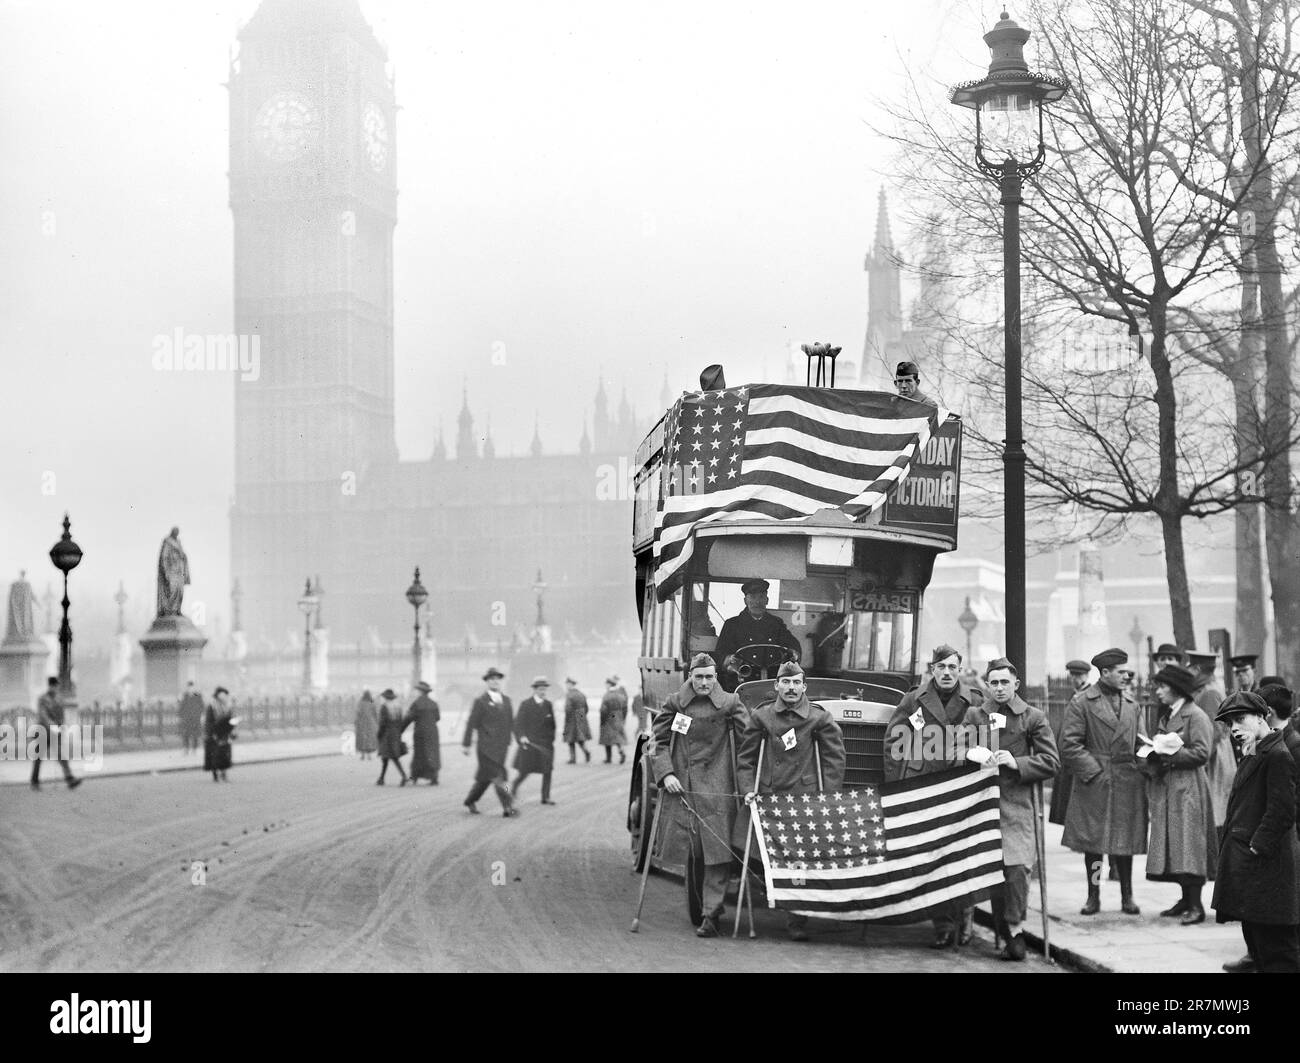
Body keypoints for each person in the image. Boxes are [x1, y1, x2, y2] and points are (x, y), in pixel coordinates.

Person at [737, 660, 846, 941]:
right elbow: (746, 758)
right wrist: (748, 788)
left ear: (804, 687)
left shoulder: (818, 718)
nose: (791, 688)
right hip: (769, 797)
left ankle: (797, 920)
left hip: (803, 798)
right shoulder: (762, 717)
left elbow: (834, 758)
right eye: (785, 682)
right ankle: (771, 894)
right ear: (776, 686)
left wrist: (828, 795)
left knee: (801, 859)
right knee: (763, 854)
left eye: (797, 683)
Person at [961, 658, 1060, 961]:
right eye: (994, 683)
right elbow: (954, 748)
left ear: (1015, 684)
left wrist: (1016, 762)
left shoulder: (1033, 717)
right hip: (983, 803)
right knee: (993, 872)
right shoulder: (976, 715)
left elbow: (1052, 761)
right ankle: (1009, 936)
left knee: (1017, 869)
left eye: (1005, 682)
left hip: (1017, 804)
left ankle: (1014, 928)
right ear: (987, 685)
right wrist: (972, 753)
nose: (1000, 688)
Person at [883, 644, 982, 946]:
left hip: (961, 785)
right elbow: (892, 744)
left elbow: (989, 740)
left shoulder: (975, 700)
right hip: (923, 783)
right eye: (941, 667)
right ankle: (943, 925)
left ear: (960, 669)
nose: (947, 672)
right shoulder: (914, 700)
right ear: (932, 669)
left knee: (962, 854)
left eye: (953, 667)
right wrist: (899, 787)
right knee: (930, 857)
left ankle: (965, 915)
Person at [651, 653, 749, 937]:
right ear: (690, 677)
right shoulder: (675, 703)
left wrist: (743, 786)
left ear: (716, 677)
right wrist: (666, 773)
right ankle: (701, 907)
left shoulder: (731, 703)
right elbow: (657, 741)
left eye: (709, 677)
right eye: (698, 677)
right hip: (685, 785)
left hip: (718, 789)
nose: (704, 683)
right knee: (694, 851)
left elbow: (747, 744)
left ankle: (710, 914)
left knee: (717, 853)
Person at [1211, 691, 1300, 973]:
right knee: (1259, 943)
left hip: (1268, 867)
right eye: (1230, 724)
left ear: (1262, 717)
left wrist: (1256, 846)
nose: (1235, 728)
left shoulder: (1277, 755)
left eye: (1240, 719)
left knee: (1278, 952)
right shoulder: (1256, 751)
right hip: (1252, 869)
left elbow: (1283, 811)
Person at [1058, 648, 1148, 916]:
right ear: (1105, 673)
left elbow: (1141, 742)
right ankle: (1093, 895)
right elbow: (1069, 744)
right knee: (1093, 845)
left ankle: (1127, 895)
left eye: (1127, 672)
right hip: (1095, 783)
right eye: (1121, 672)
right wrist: (1094, 772)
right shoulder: (1082, 702)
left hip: (1127, 780)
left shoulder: (1133, 705)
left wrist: (1150, 759)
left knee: (1126, 842)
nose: (1126, 676)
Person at [1143, 664, 1218, 925]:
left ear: (1176, 689)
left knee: (1190, 844)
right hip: (1171, 786)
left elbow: (1202, 753)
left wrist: (1169, 754)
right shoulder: (1170, 714)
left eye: (1163, 687)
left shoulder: (1196, 716)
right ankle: (1186, 899)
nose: (1158, 692)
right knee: (1178, 844)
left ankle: (1196, 905)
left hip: (1188, 788)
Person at [713, 579, 803, 690]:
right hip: (741, 683)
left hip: (772, 682)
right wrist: (729, 660)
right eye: (753, 597)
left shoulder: (776, 623)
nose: (757, 602)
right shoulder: (732, 624)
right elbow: (721, 654)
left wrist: (793, 653)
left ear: (767, 600)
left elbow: (791, 644)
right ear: (745, 600)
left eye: (761, 597)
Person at [1186, 650, 1235, 829]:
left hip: (1214, 759)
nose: (1188, 673)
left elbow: (1215, 731)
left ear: (1198, 669)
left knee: (1215, 812)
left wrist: (1202, 760)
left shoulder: (1209, 692)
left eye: (1190, 669)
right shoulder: (1208, 689)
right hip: (1214, 754)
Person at [462, 667, 518, 817]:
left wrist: (520, 738)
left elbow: (512, 722)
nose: (495, 681)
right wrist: (466, 744)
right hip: (486, 748)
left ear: (500, 681)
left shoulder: (507, 701)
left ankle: (470, 800)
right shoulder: (480, 701)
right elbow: (471, 723)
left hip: (501, 747)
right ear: (487, 682)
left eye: (497, 678)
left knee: (485, 779)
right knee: (499, 777)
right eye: (491, 678)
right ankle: (508, 805)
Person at [1048, 659, 1092, 828]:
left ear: (1087, 675)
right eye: (1073, 675)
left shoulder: (1086, 696)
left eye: (1079, 675)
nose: (1075, 678)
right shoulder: (1075, 695)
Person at [30, 676, 81, 791]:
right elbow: (43, 715)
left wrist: (61, 726)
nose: (56, 688)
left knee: (61, 756)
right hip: (43, 731)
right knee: (38, 758)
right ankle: (34, 782)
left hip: (54, 733)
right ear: (50, 686)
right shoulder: (42, 699)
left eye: (57, 686)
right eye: (54, 686)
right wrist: (52, 726)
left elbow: (61, 715)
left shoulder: (59, 699)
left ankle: (70, 779)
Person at [512, 677, 557, 805]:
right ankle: (513, 788)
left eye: (545, 689)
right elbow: (518, 724)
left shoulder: (548, 704)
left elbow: (552, 725)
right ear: (535, 690)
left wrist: (551, 739)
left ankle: (545, 797)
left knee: (547, 771)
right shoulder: (525, 704)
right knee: (524, 771)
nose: (543, 692)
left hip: (546, 745)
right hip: (530, 744)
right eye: (541, 689)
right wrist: (522, 737)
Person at [403, 681, 441, 785]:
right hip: (433, 732)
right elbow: (438, 718)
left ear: (420, 692)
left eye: (417, 690)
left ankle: (414, 777)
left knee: (419, 755)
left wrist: (400, 730)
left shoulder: (416, 703)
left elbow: (408, 718)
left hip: (420, 732)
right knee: (432, 754)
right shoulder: (434, 703)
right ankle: (434, 778)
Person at [375, 688, 408, 786]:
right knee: (387, 757)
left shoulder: (384, 707)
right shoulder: (398, 707)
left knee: (391, 757)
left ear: (386, 697)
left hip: (387, 734)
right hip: (396, 733)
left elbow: (382, 723)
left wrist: (379, 734)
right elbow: (401, 721)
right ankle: (381, 778)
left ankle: (404, 776)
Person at [203, 686, 236, 783]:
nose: (224, 696)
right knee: (215, 755)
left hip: (225, 734)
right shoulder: (212, 706)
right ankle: (215, 774)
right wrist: (211, 732)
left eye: (225, 695)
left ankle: (224, 774)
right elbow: (208, 721)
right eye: (222, 694)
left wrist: (232, 730)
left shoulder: (228, 706)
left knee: (225, 755)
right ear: (217, 695)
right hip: (214, 733)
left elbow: (231, 719)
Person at [562, 677, 592, 763]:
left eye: (567, 684)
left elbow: (567, 708)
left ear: (570, 685)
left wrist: (567, 719)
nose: (566, 686)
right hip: (581, 718)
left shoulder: (569, 695)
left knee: (570, 739)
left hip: (572, 719)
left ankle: (573, 758)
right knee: (580, 739)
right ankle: (586, 752)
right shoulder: (581, 694)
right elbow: (586, 708)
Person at [599, 677, 628, 764]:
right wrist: (623, 718)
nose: (605, 686)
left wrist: (602, 721)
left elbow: (603, 710)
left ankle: (608, 758)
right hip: (618, 718)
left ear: (609, 685)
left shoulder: (607, 696)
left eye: (606, 684)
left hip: (608, 718)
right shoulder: (620, 695)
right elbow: (625, 708)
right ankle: (621, 751)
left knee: (607, 738)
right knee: (618, 737)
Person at [179, 680, 205, 754]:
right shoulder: (185, 695)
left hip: (195, 718)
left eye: (192, 687)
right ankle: (186, 748)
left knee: (195, 734)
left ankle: (194, 748)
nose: (191, 689)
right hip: (186, 718)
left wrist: (201, 715)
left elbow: (202, 706)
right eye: (189, 687)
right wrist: (181, 716)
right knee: (185, 733)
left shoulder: (198, 695)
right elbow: (182, 706)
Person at [354, 689, 378, 760]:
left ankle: (362, 755)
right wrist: (376, 722)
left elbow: (358, 713)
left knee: (362, 738)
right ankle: (369, 755)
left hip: (362, 723)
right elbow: (375, 714)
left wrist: (356, 721)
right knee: (369, 739)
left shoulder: (360, 703)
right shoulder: (372, 703)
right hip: (371, 723)